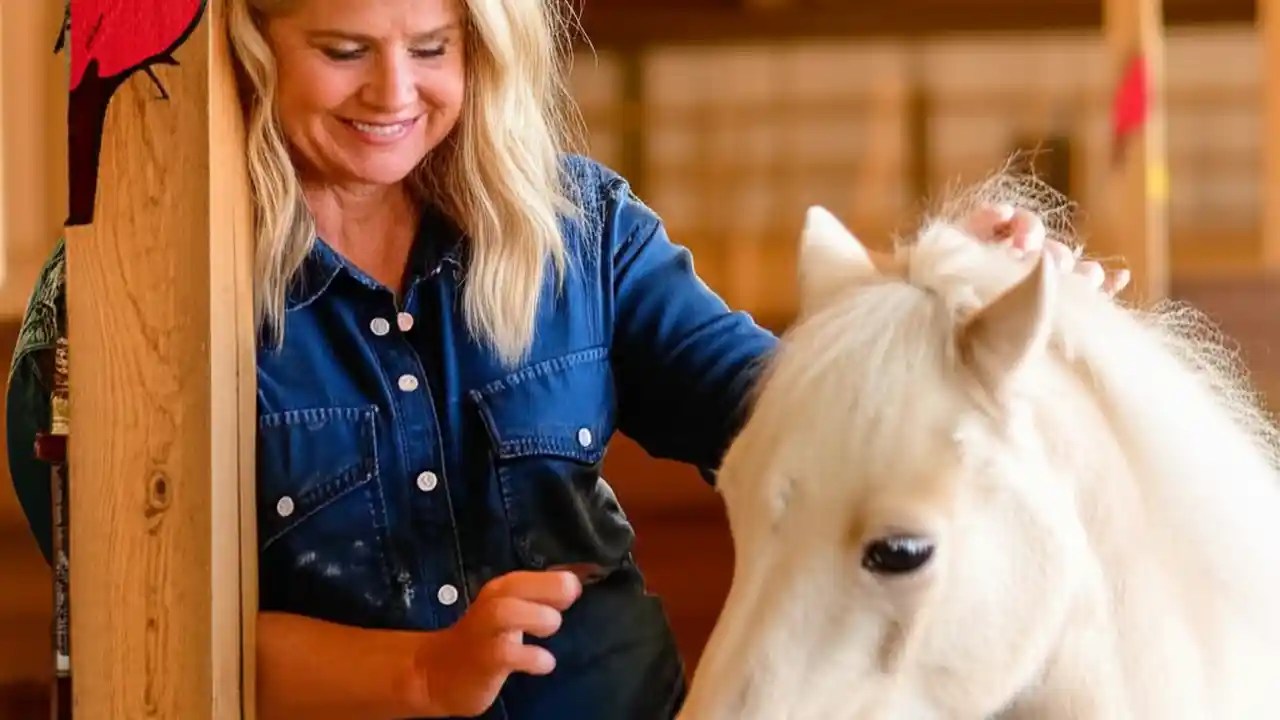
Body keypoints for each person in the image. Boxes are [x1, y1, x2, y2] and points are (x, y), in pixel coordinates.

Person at [5, 0, 1128, 718]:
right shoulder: (119, 314)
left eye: (432, 49)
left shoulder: (581, 233)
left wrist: (937, 305)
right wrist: (417, 677)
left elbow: (785, 417)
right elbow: (139, 624)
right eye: (342, 50)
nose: (394, 94)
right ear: (251, 43)